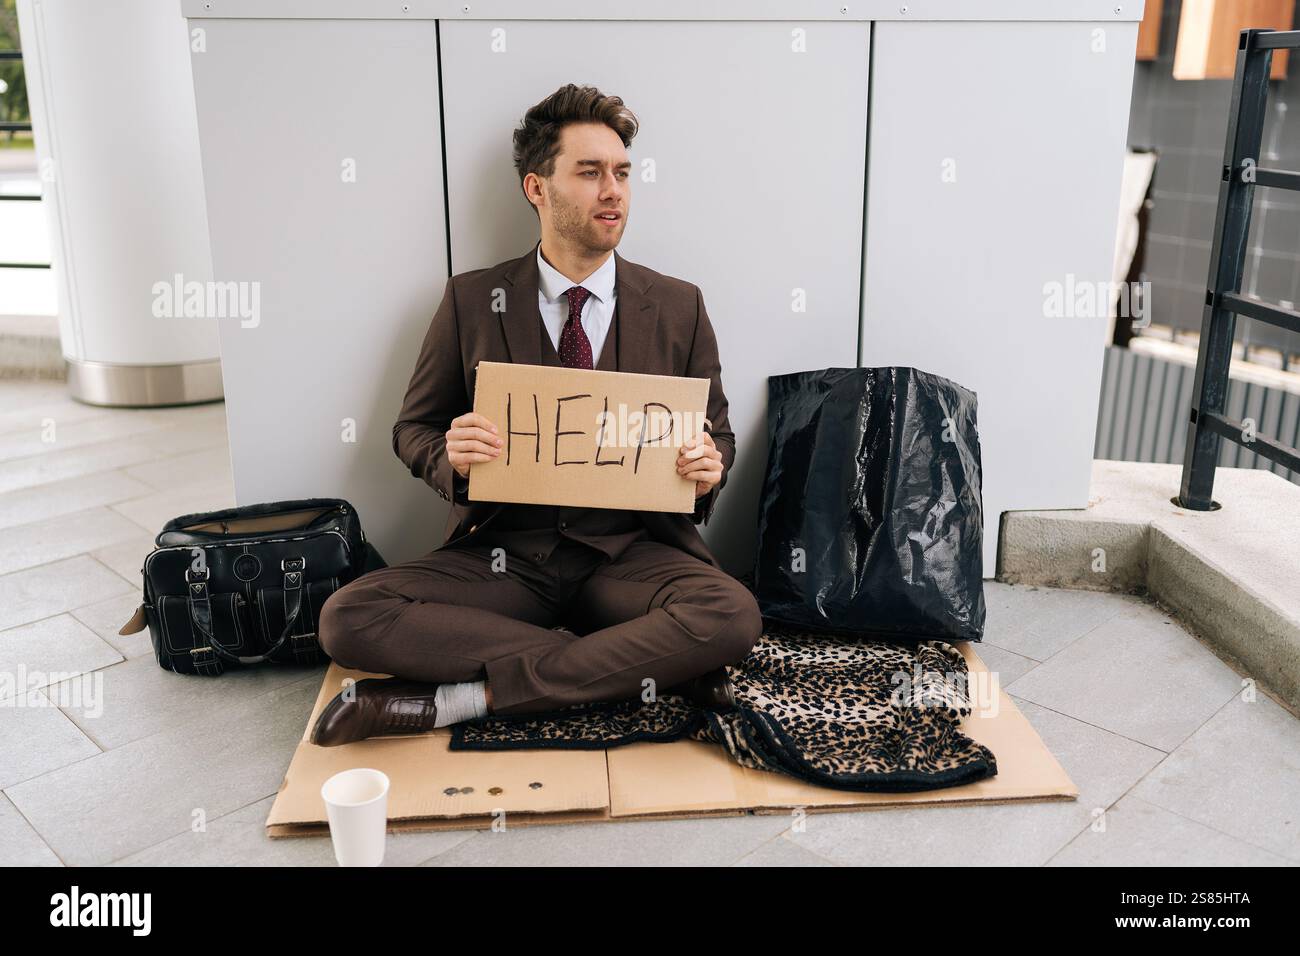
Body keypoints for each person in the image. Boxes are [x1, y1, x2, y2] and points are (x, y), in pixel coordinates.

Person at [311, 83, 762, 746]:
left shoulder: (677, 306)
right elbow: (413, 429)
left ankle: (458, 701)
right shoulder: (472, 300)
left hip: (627, 555)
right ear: (536, 189)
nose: (613, 191)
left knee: (731, 614)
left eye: (621, 173)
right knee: (349, 616)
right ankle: (640, 663)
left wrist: (706, 468)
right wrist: (448, 454)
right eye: (589, 173)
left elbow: (713, 433)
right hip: (506, 555)